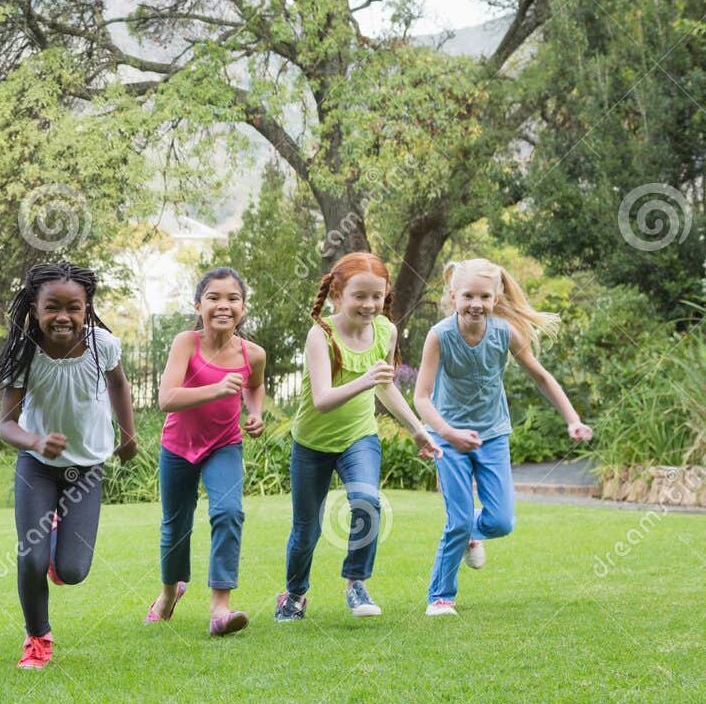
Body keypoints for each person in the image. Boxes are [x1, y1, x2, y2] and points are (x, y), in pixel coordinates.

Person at [414, 258, 592, 615]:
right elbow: (421, 396)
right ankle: (440, 596)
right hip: (447, 438)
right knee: (459, 519)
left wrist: (572, 419)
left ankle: (471, 533)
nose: (476, 303)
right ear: (453, 295)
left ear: (496, 298)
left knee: (501, 522)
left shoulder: (504, 333)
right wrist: (447, 433)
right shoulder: (440, 336)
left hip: (493, 435)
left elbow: (542, 377)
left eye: (484, 296)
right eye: (468, 295)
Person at [0, 262, 136, 670]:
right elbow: (5, 425)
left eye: (74, 308)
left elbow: (119, 385)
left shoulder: (103, 345)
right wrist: (36, 441)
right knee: (31, 559)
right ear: (35, 308)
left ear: (87, 308)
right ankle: (37, 638)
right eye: (52, 307)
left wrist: (128, 436)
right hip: (37, 466)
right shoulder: (25, 352)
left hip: (86, 469)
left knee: (71, 570)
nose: (63, 317)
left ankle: (56, 539)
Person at [276, 253, 438, 622]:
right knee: (306, 529)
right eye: (359, 296)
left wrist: (417, 429)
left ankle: (356, 582)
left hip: (358, 438)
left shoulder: (386, 331)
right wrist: (365, 379)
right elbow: (322, 400)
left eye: (376, 296)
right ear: (338, 295)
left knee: (367, 501)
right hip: (312, 444)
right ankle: (295, 595)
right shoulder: (321, 334)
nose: (369, 305)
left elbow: (385, 388)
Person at [150, 268, 267, 637]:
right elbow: (167, 399)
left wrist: (255, 412)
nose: (223, 305)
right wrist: (217, 389)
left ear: (243, 308)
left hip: (224, 445)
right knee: (175, 527)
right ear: (198, 305)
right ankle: (170, 592)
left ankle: (220, 608)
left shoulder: (254, 354)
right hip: (178, 447)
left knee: (229, 512)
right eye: (214, 297)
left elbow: (255, 385)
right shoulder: (186, 343)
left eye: (233, 298)